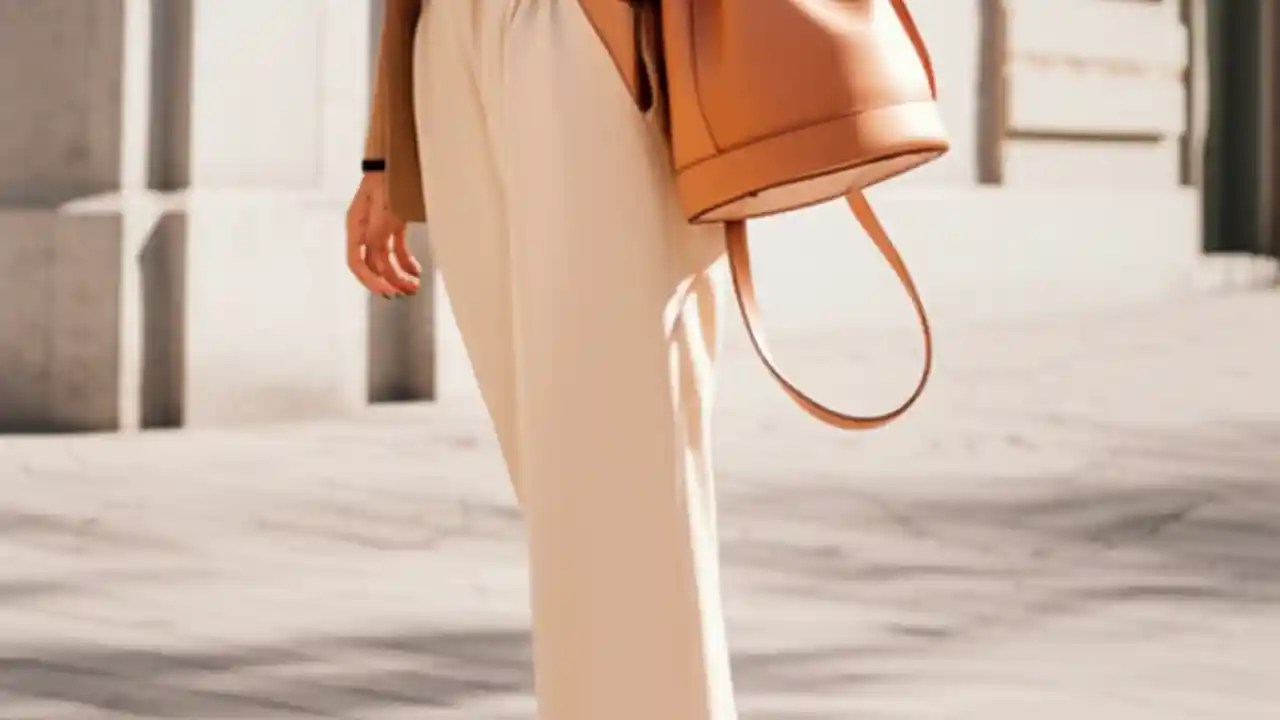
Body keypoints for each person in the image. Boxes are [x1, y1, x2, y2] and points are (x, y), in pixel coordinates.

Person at [344, 1, 739, 718]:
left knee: (628, 466)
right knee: (565, 490)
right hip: (447, 45)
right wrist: (385, 148)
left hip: (583, 34)